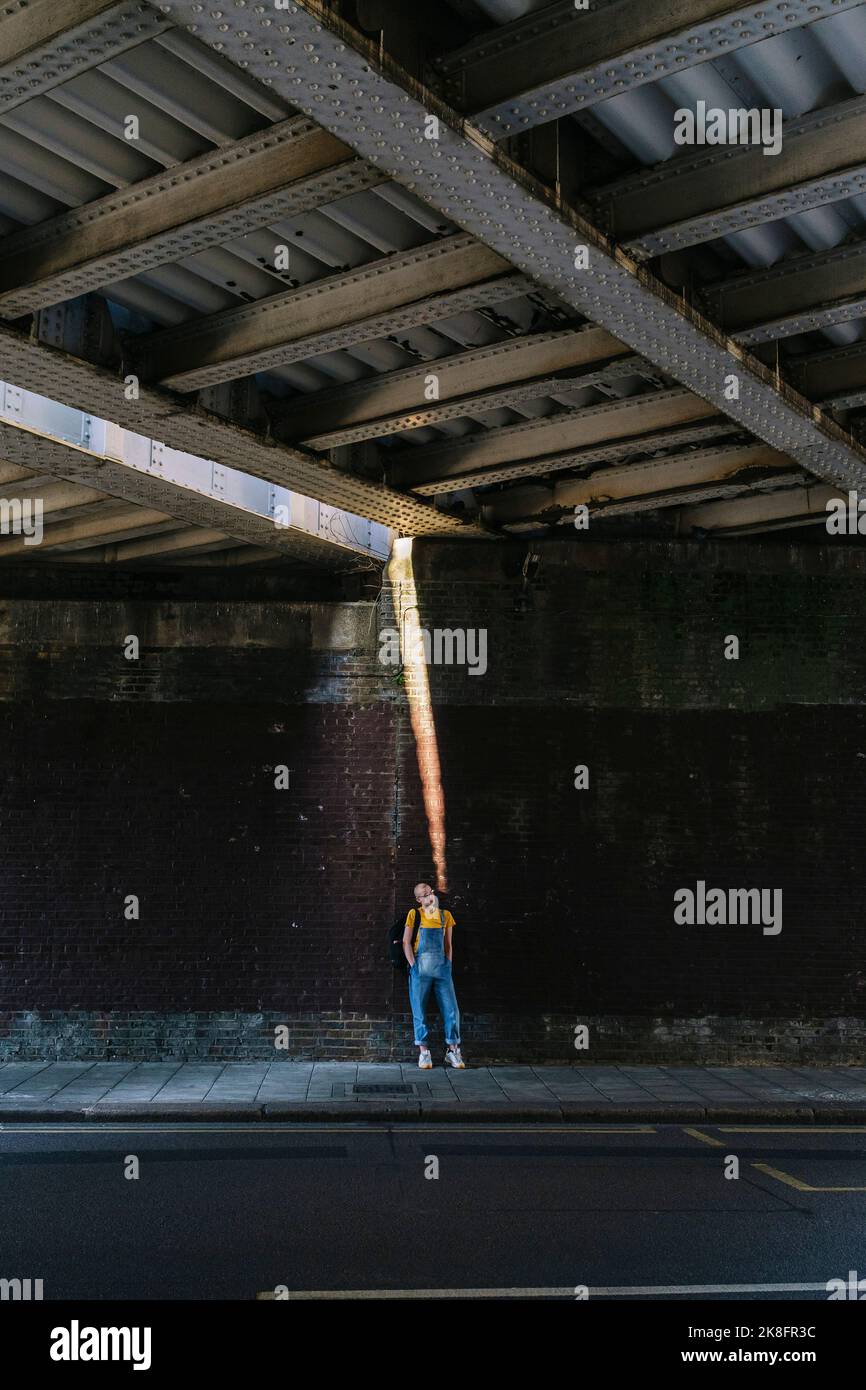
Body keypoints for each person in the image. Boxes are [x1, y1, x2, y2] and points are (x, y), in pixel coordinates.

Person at [403, 882, 464, 1069]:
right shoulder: (415, 914)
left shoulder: (446, 916)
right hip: (420, 969)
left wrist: (448, 965)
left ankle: (453, 1051)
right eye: (424, 894)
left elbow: (448, 945)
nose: (429, 895)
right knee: (419, 1012)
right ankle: (424, 1053)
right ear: (418, 899)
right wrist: (414, 966)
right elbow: (406, 941)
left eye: (430, 892)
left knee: (451, 1010)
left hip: (442, 969)